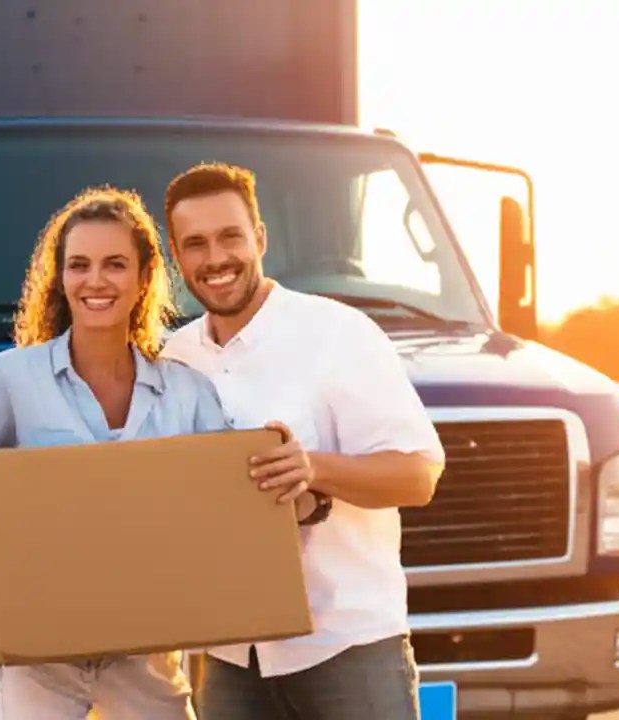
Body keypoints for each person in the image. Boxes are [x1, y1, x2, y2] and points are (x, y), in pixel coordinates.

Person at [0, 186, 243, 720]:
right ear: (60, 278)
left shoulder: (187, 393)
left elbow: (232, 499)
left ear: (143, 277)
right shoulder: (6, 380)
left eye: (114, 265)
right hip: (35, 666)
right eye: (79, 265)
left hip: (146, 664)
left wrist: (282, 476)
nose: (96, 281)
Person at [159, 162, 447, 720]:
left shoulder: (338, 333)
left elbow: (418, 476)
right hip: (228, 661)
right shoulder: (174, 358)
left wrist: (312, 468)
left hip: (347, 650)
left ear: (260, 238)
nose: (215, 259)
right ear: (176, 256)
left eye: (230, 237)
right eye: (195, 244)